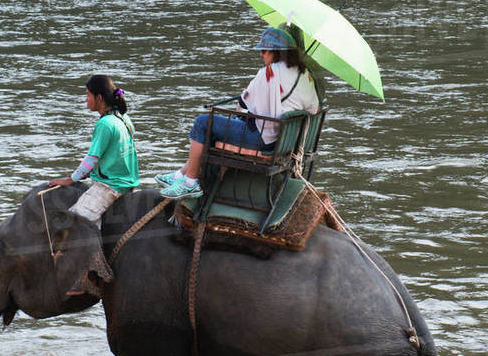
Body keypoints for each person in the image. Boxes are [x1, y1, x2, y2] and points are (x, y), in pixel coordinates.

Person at [155, 26, 321, 199]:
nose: (261, 55)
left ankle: (190, 183)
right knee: (215, 126)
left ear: (276, 52)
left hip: (264, 141)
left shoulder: (268, 73)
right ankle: (180, 175)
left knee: (203, 123)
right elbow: (314, 109)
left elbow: (241, 105)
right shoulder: (304, 74)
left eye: (264, 50)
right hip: (286, 141)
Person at [48, 74, 139, 223]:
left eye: (88, 95)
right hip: (128, 182)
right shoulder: (122, 117)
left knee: (74, 223)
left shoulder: (105, 124)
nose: (86, 100)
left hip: (110, 186)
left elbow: (92, 160)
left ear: (100, 98)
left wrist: (70, 180)